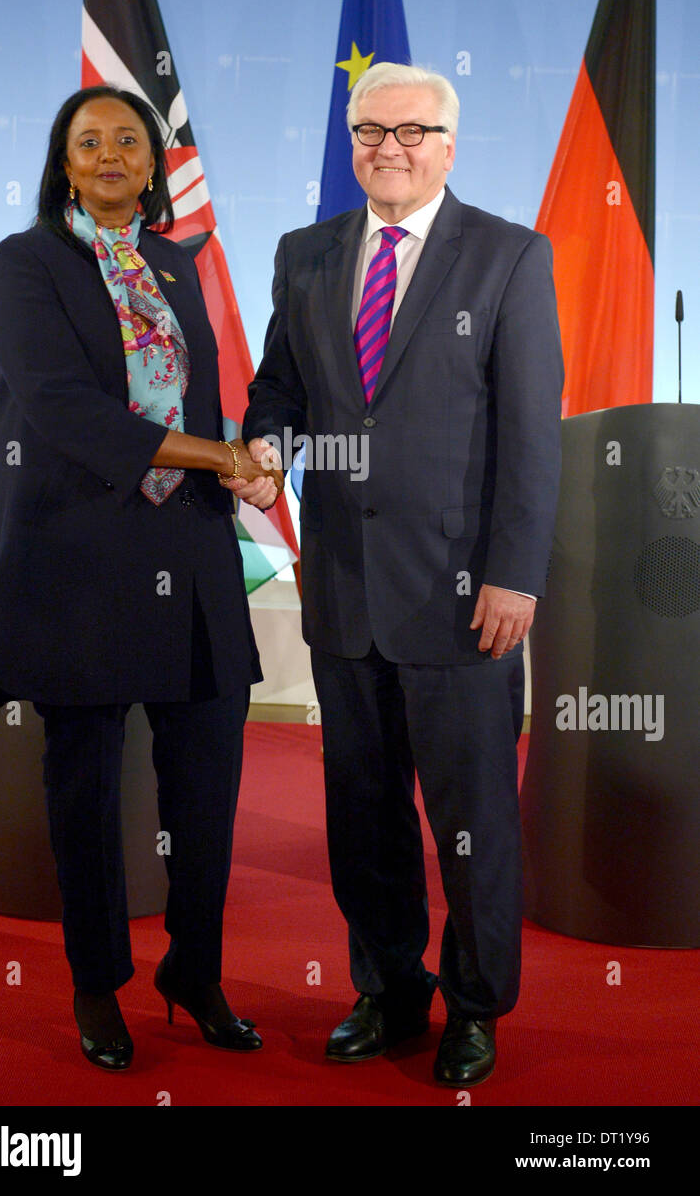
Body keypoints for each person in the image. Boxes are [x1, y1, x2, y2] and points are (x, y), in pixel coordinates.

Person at [231, 62, 563, 1086]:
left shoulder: (508, 257)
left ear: (447, 144)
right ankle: (385, 988)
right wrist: (267, 447)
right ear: (351, 143)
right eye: (369, 130)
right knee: (362, 815)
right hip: (343, 590)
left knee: (470, 820)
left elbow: (529, 434)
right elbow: (278, 386)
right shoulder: (305, 254)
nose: (388, 146)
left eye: (410, 130)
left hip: (464, 600)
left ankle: (475, 1004)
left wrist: (513, 573)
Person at [0, 84, 282, 1071]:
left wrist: (247, 456)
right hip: (80, 562)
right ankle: (96, 983)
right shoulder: (25, 263)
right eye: (87, 141)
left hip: (190, 561)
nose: (108, 153)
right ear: (63, 164)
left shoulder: (174, 263)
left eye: (127, 141)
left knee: (208, 788)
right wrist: (216, 453)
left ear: (153, 166)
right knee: (85, 792)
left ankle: (194, 970)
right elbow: (63, 408)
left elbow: (201, 397)